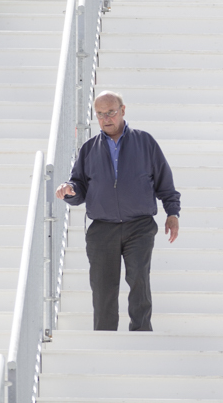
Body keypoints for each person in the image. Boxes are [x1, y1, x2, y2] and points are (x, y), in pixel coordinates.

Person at [57, 91, 181, 332]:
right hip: (102, 228)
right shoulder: (89, 149)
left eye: (111, 112)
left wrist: (172, 213)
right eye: (100, 114)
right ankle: (104, 337)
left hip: (140, 226)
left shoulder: (145, 142)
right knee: (103, 287)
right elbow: (79, 186)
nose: (106, 119)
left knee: (138, 280)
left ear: (123, 111)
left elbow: (165, 183)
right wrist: (69, 190)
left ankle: (141, 332)